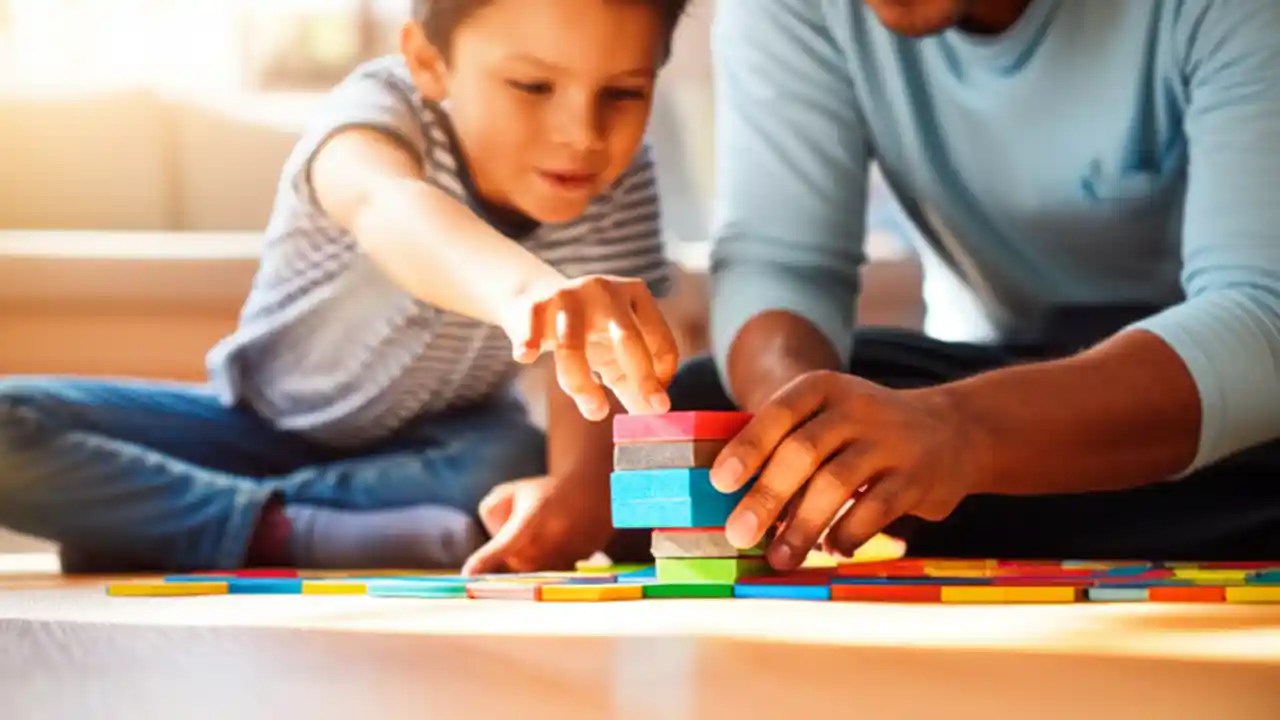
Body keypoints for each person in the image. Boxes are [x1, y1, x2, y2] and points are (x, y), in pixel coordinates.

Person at [0, 0, 688, 574]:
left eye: (624, 92)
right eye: (533, 86)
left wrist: (574, 497)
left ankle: (165, 523)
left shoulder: (619, 182)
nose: (583, 134)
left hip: (439, 450)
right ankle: (273, 533)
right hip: (255, 425)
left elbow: (589, 383)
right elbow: (385, 205)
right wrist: (524, 292)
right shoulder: (376, 113)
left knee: (511, 462)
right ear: (428, 61)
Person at [673, 0, 1280, 569]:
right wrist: (803, 440)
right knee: (707, 403)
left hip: (1203, 409)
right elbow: (781, 265)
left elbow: (1261, 320)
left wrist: (960, 432)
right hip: (989, 384)